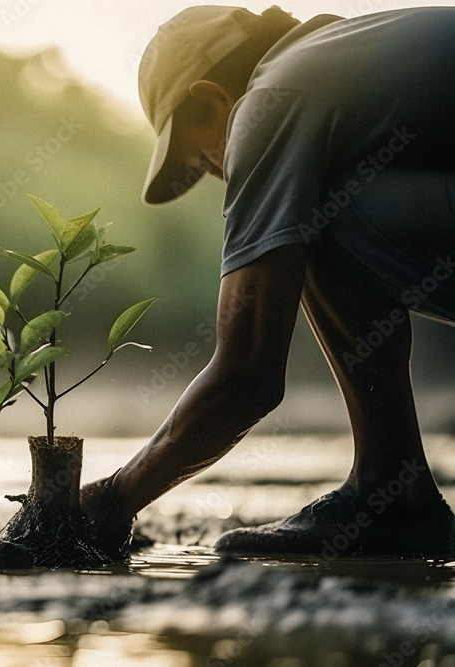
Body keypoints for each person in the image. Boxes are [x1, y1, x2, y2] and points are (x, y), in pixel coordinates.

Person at [81, 6, 455, 557]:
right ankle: (393, 494)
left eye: (204, 158)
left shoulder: (272, 96)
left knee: (310, 212)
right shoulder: (349, 58)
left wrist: (111, 500)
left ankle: (390, 496)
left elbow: (248, 375)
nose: (217, 173)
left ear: (211, 100)